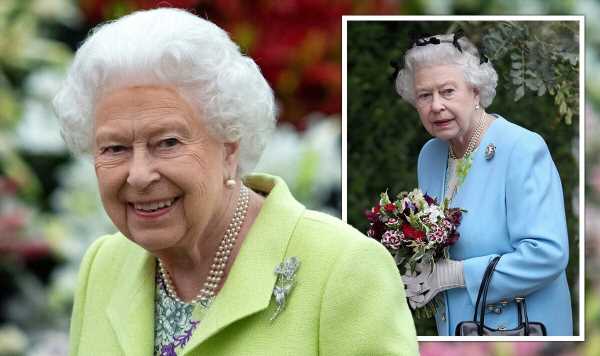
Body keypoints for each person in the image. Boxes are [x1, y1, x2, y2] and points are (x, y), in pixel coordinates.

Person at [53, 7, 418, 355]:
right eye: (115, 148)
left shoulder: (343, 267)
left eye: (167, 143)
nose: (139, 175)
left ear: (229, 148)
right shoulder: (104, 263)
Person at [394, 31, 572, 336]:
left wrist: (459, 275)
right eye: (424, 95)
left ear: (476, 92)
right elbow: (438, 241)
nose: (436, 105)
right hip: (459, 330)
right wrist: (418, 269)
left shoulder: (521, 148)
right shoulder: (431, 154)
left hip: (521, 331)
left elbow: (547, 253)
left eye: (448, 91)